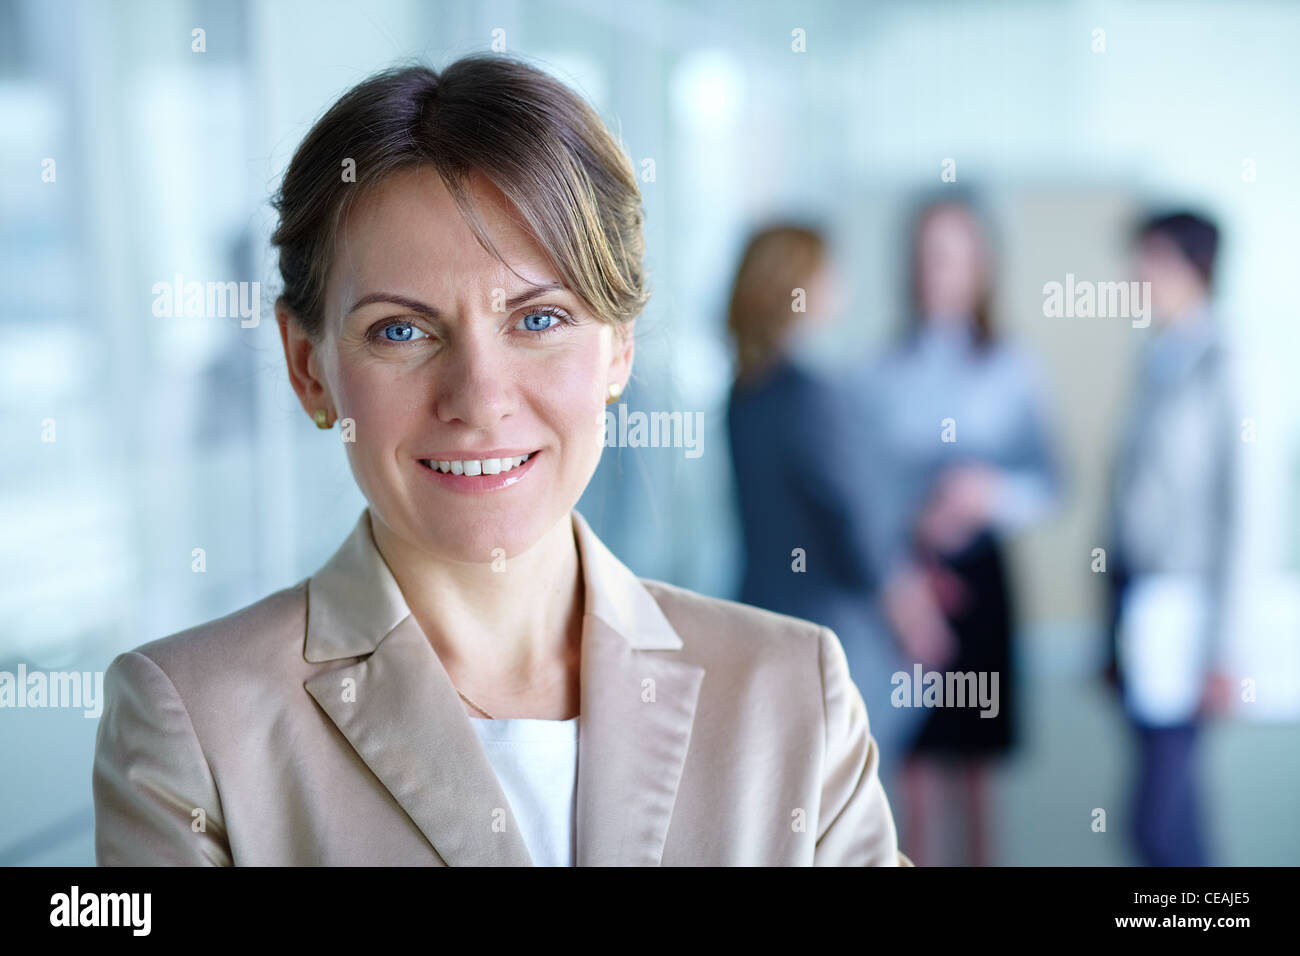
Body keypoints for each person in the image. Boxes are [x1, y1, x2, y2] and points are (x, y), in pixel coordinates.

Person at [90, 56, 910, 867]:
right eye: (400, 331)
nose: (480, 398)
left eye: (541, 319)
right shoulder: (191, 725)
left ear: (619, 348)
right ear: (309, 367)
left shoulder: (793, 690)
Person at [866, 197, 1062, 866]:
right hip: (910, 582)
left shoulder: (1010, 367)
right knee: (913, 772)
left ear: (981, 266)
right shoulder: (882, 370)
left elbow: (1050, 481)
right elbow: (866, 492)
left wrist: (989, 494)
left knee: (977, 775)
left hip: (982, 576)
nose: (936, 271)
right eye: (926, 255)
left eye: (951, 255)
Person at [724, 224, 920, 787]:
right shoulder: (811, 396)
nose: (842, 285)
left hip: (763, 622)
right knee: (856, 813)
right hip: (838, 638)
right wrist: (908, 606)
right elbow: (854, 530)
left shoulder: (744, 394)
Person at [1105, 210, 1238, 867]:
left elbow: (1247, 516)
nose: (1137, 276)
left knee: (1158, 818)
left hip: (1191, 615)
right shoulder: (1155, 360)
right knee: (1174, 809)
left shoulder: (1228, 365)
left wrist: (1226, 647)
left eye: (1151, 261)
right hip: (1140, 603)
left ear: (1195, 268)